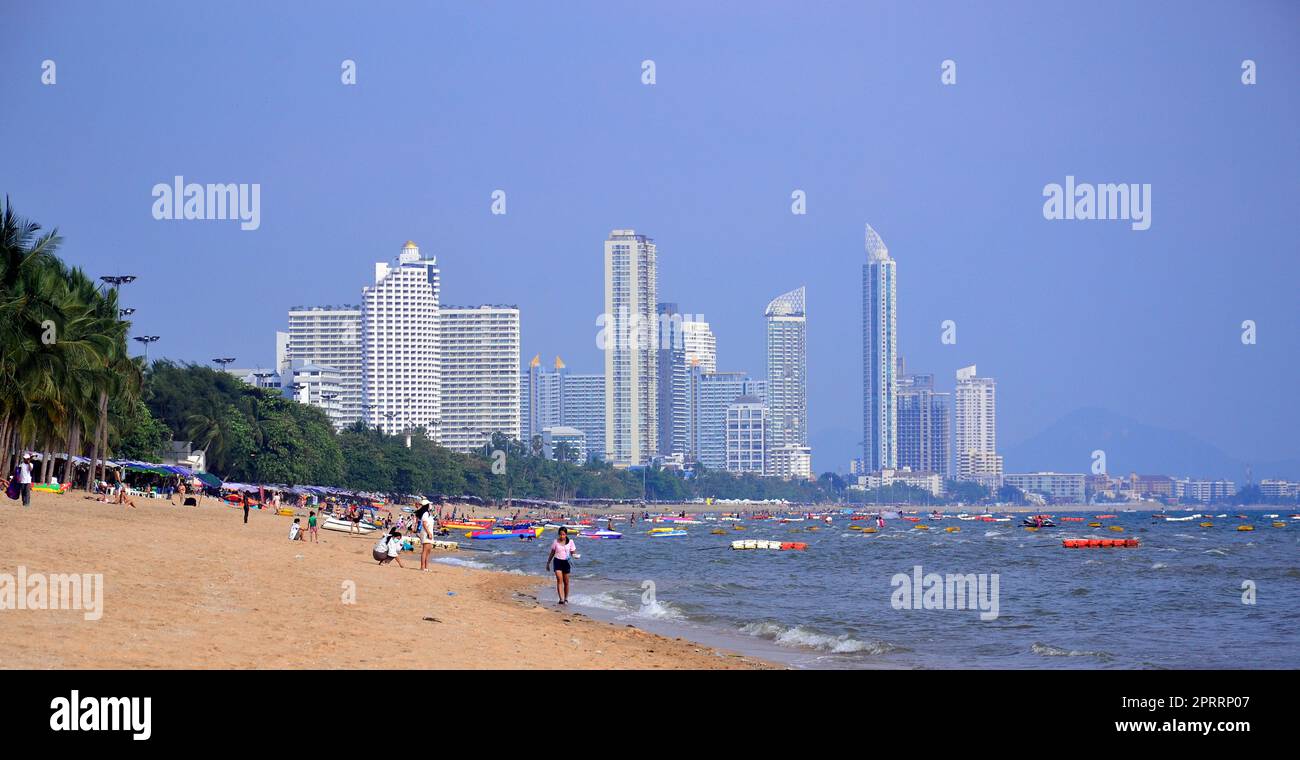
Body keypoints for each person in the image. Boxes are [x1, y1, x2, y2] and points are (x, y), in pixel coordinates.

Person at [546, 527, 579, 605]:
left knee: (566, 582)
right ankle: (561, 599)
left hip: (566, 562)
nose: (562, 536)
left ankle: (566, 599)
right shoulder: (555, 542)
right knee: (559, 580)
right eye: (560, 534)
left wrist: (576, 556)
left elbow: (573, 553)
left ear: (566, 534)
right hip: (557, 561)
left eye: (563, 534)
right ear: (558, 534)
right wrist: (548, 563)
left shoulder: (570, 542)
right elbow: (552, 553)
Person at [418, 500, 436, 572]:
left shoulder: (429, 514)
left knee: (428, 550)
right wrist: (428, 533)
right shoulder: (425, 514)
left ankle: (426, 567)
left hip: (429, 532)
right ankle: (422, 567)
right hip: (426, 533)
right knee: (425, 550)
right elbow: (424, 524)